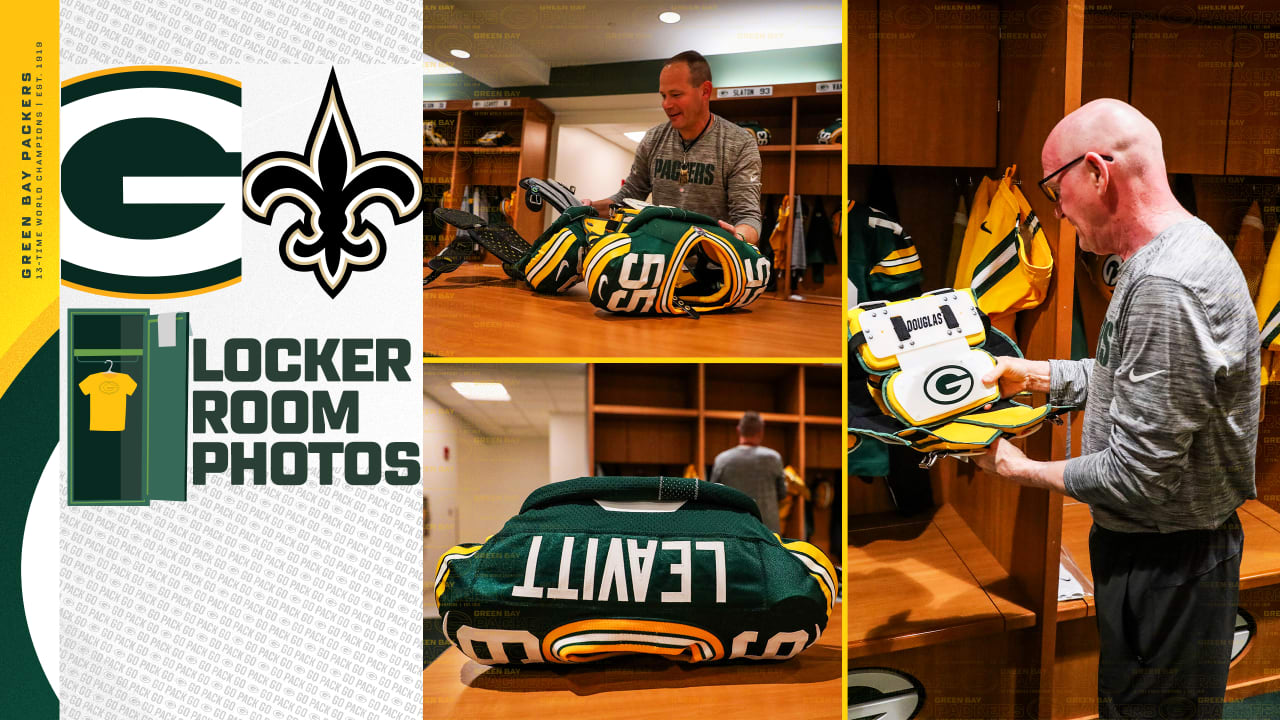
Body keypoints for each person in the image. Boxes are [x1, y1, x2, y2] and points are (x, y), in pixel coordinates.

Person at [974, 98, 1260, 720]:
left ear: (1098, 173)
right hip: (1169, 556)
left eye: (1056, 190)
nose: (1056, 211)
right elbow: (1128, 381)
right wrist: (1034, 375)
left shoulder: (1165, 285)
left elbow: (1137, 472)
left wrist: (1019, 471)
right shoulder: (1180, 250)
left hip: (1168, 567)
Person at [582, 50, 763, 246]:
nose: (666, 104)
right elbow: (628, 197)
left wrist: (738, 237)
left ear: (705, 91)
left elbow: (748, 216)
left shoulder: (739, 143)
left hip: (711, 267)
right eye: (663, 95)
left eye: (676, 95)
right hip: (658, 263)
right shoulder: (652, 139)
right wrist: (590, 208)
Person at [710, 411, 787, 533]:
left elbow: (712, 496)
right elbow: (782, 494)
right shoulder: (774, 458)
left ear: (738, 430)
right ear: (761, 432)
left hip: (733, 531)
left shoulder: (722, 460)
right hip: (767, 533)